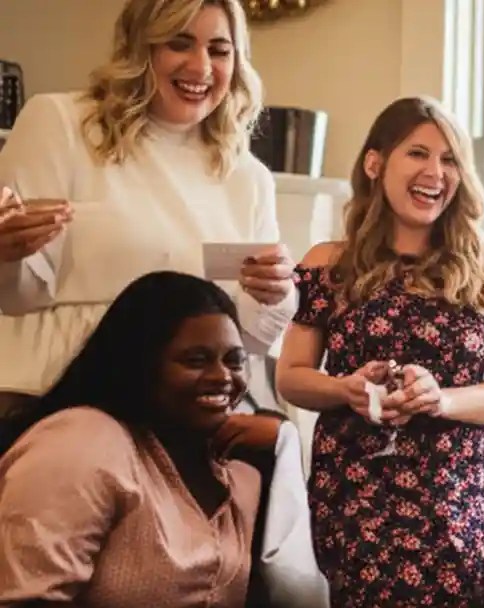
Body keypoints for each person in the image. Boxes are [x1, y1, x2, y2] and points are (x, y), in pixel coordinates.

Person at [275, 96, 484, 608]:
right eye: (417, 153)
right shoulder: (327, 264)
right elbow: (291, 377)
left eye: (449, 159)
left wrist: (441, 399)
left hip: (460, 500)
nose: (435, 172)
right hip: (356, 502)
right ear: (375, 164)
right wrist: (346, 389)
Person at [0, 271, 278, 608]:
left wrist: (283, 442)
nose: (222, 377)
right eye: (196, 360)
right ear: (140, 365)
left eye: (234, 360)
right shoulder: (84, 439)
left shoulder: (232, 467)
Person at [0, 0, 294, 414]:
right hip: (58, 397)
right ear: (142, 48)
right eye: (179, 43)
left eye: (219, 49)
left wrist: (274, 293)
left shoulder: (247, 176)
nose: (201, 67)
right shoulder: (61, 124)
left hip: (186, 411)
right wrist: (7, 254)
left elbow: (249, 340)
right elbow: (16, 296)